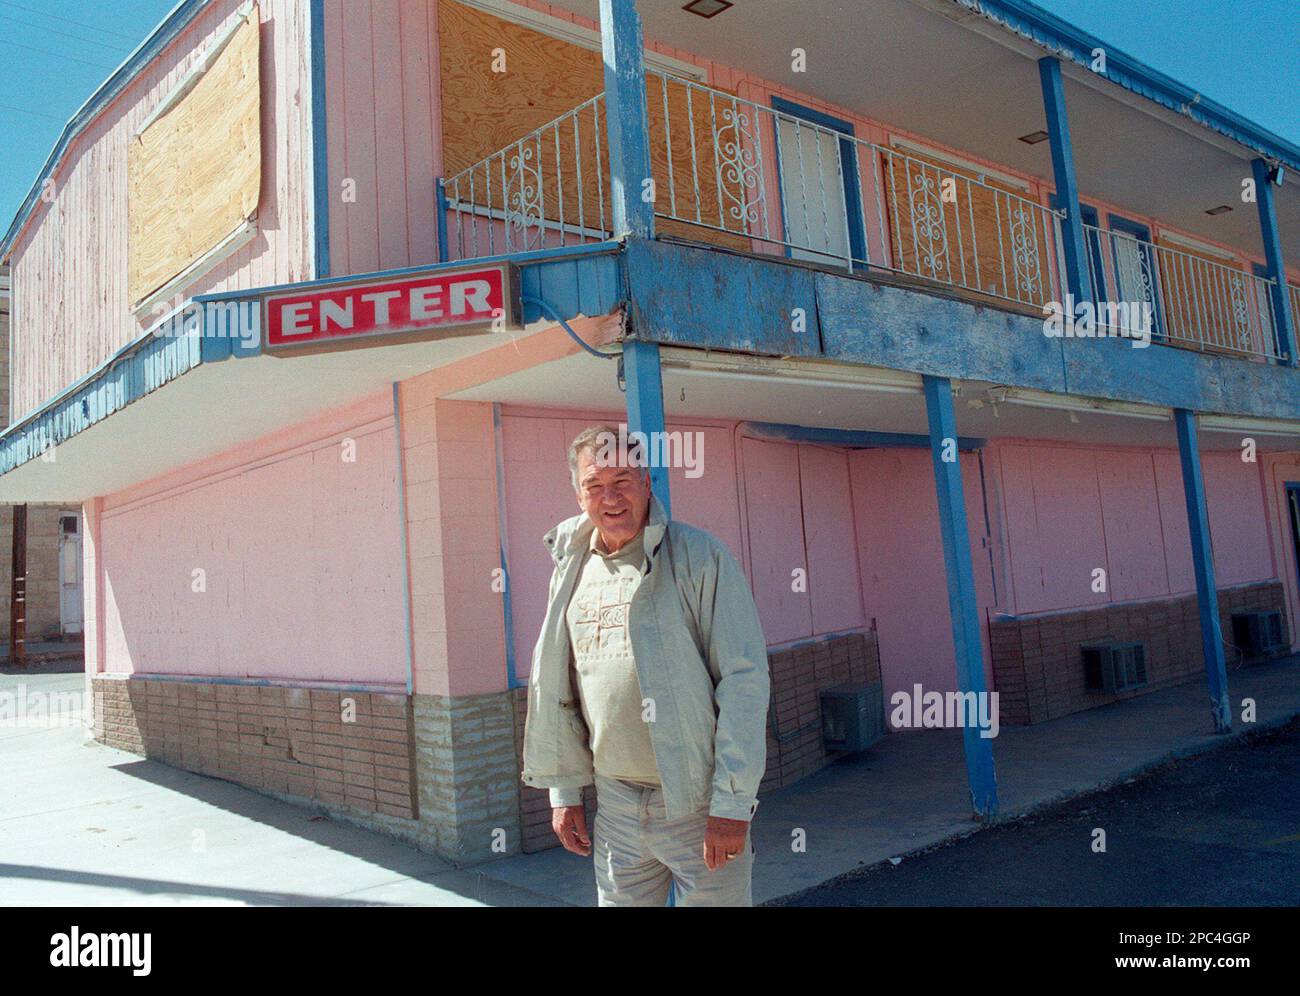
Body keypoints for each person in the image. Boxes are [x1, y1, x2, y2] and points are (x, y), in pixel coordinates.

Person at [521, 423, 770, 906]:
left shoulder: (699, 557)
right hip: (615, 805)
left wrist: (732, 803)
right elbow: (559, 684)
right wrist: (564, 792)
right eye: (595, 485)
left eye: (622, 480)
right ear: (578, 496)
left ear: (647, 482)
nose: (610, 497)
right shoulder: (571, 568)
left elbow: (742, 681)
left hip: (697, 802)